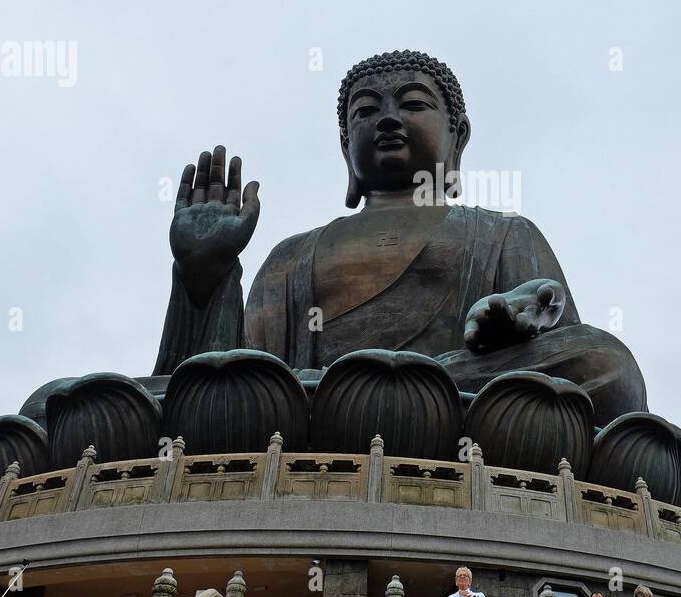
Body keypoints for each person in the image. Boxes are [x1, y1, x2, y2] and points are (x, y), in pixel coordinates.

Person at [153, 51, 648, 428]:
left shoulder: (503, 235)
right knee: (190, 396)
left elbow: (566, 355)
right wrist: (205, 272)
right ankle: (364, 391)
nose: (387, 118)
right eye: (365, 112)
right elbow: (216, 378)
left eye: (412, 104)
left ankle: (356, 391)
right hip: (311, 416)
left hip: (452, 408)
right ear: (346, 146)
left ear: (459, 136)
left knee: (607, 364)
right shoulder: (292, 256)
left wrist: (519, 327)